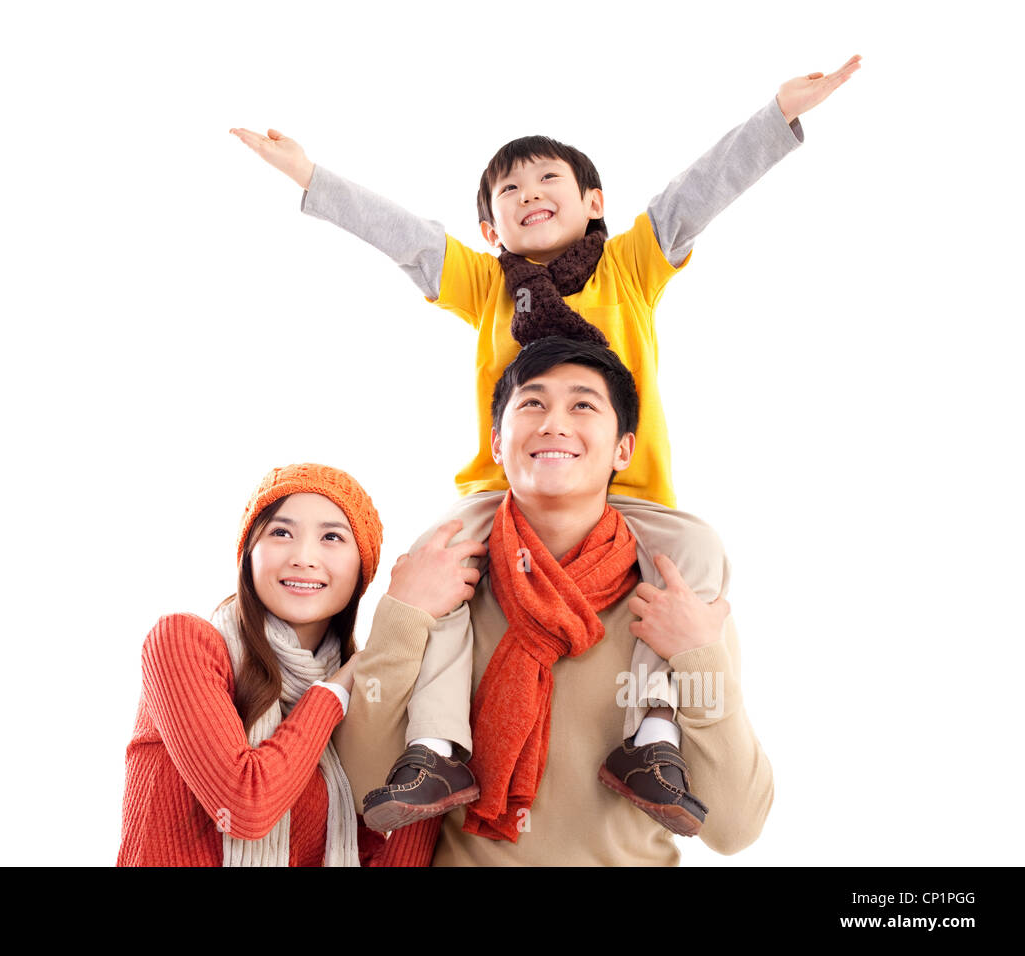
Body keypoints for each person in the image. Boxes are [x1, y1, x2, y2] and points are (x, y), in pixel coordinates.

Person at [230, 55, 857, 832]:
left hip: (631, 498)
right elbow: (404, 237)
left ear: (594, 203)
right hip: (502, 495)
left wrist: (777, 117)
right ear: (490, 228)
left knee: (695, 554)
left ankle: (653, 737)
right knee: (440, 572)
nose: (531, 196)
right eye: (510, 191)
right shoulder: (484, 283)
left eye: (549, 182)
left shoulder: (630, 264)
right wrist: (311, 178)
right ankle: (436, 745)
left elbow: (697, 194)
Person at [333, 336, 773, 864]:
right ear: (497, 443)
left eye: (583, 405)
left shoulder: (677, 601)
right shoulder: (444, 586)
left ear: (623, 449)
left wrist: (701, 655)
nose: (553, 423)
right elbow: (363, 788)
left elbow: (735, 828)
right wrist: (401, 615)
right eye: (532, 403)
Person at [116, 463, 437, 866]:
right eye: (281, 532)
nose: (304, 558)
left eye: (332, 537)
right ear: (249, 554)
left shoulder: (356, 712)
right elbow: (246, 806)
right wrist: (346, 679)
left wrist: (429, 777)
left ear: (362, 568)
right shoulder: (181, 643)